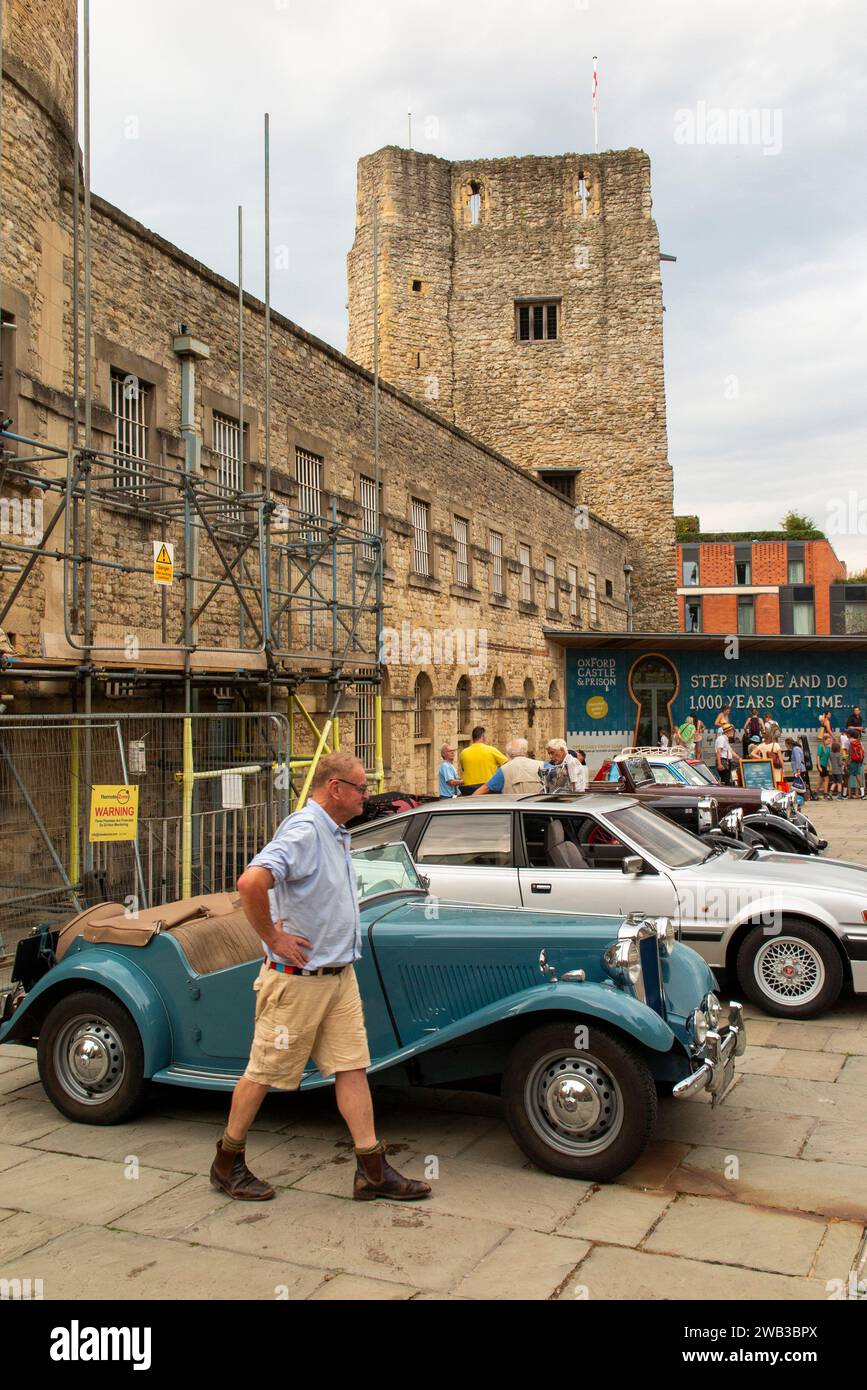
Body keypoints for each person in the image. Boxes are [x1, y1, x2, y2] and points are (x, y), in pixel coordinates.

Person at [210, 751, 431, 1204]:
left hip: (337, 977)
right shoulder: (305, 830)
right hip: (298, 980)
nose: (366, 796)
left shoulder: (334, 833)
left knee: (352, 1067)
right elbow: (251, 883)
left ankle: (372, 1170)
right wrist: (272, 936)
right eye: (360, 788)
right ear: (335, 789)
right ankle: (226, 1162)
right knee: (264, 1071)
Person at [473, 737, 545, 796]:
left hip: (514, 809)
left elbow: (486, 788)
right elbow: (555, 775)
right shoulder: (542, 765)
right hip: (539, 809)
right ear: (525, 750)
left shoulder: (504, 770)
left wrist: (470, 800)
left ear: (509, 753)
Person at [458, 725, 507, 795]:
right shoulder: (491, 750)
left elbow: (463, 769)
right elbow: (506, 764)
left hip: (469, 790)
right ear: (483, 737)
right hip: (487, 789)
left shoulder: (463, 753)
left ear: (473, 738)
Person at [847, 728, 865, 800]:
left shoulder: (850, 742)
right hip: (858, 761)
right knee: (858, 776)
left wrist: (847, 761)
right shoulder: (859, 742)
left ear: (850, 735)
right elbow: (863, 751)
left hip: (852, 761)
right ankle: (863, 793)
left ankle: (845, 794)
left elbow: (850, 752)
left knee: (846, 775)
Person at [816, 732, 831, 798]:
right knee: (826, 778)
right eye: (828, 740)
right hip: (821, 764)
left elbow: (827, 758)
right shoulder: (821, 746)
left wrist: (830, 765)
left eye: (829, 740)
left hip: (825, 765)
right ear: (824, 740)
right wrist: (819, 766)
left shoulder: (828, 748)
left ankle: (815, 791)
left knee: (821, 779)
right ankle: (825, 793)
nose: (829, 742)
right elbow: (818, 756)